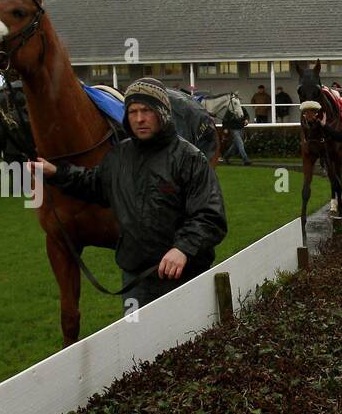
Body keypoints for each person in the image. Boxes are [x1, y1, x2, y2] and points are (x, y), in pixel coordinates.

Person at [32, 78, 228, 313]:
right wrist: (56, 173)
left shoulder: (189, 158)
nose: (139, 118)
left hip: (184, 273)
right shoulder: (119, 157)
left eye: (146, 110)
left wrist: (183, 249)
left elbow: (210, 216)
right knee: (139, 348)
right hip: (137, 280)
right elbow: (94, 184)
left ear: (163, 113)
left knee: (190, 344)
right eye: (132, 111)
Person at [220, 93, 250, 166]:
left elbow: (247, 116)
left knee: (235, 145)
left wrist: (246, 120)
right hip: (234, 129)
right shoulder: (230, 111)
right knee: (240, 144)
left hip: (241, 128)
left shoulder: (242, 109)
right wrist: (225, 128)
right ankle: (245, 159)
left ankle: (226, 157)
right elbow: (225, 120)